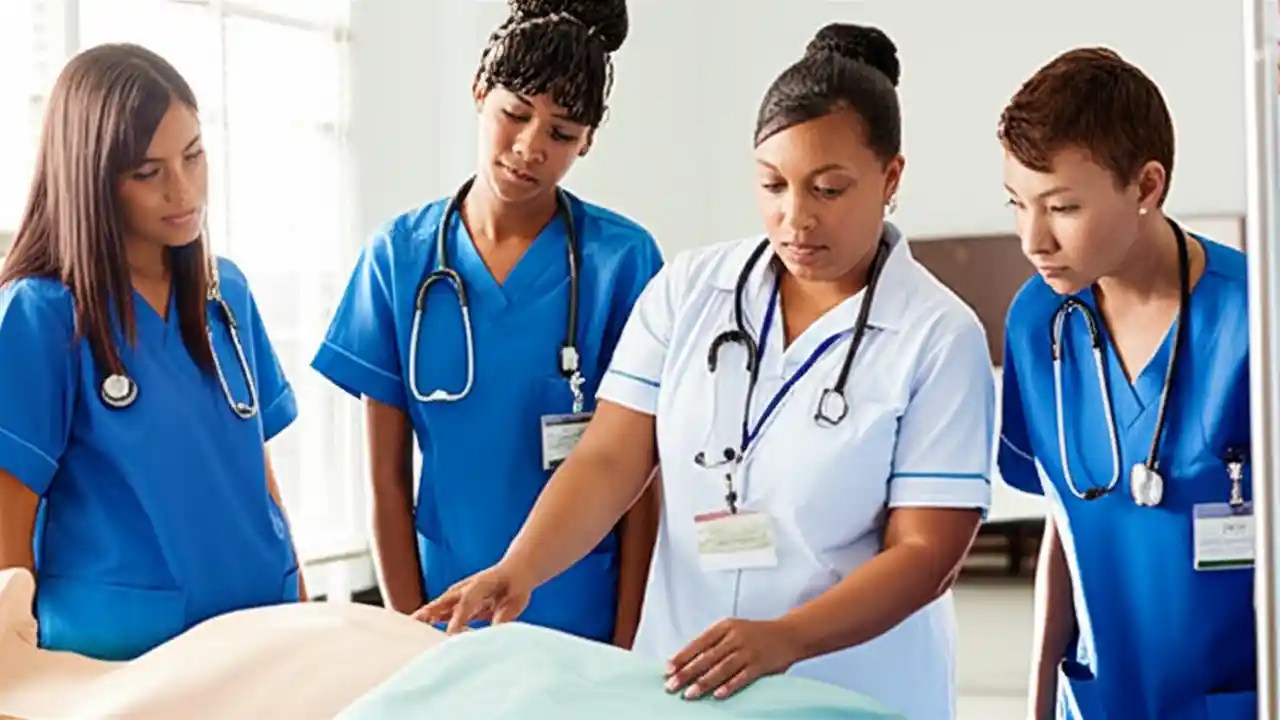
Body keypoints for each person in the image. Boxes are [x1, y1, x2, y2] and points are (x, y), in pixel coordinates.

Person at [416, 23, 995, 720]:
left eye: (829, 189)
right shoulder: (691, 290)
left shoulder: (938, 336)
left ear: (891, 177)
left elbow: (928, 552)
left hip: (851, 688)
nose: (795, 217)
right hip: (686, 682)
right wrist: (521, 568)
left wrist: (787, 639)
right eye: (772, 184)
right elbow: (608, 459)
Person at [311, 0, 663, 648]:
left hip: (582, 617)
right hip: (443, 616)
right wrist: (408, 637)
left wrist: (626, 643)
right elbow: (387, 480)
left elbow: (641, 483)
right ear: (480, 92)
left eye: (561, 133)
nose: (531, 147)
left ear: (588, 138)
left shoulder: (623, 263)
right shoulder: (399, 257)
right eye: (515, 112)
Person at [0, 43, 303, 662]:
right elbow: (6, 530)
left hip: (261, 634)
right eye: (148, 172)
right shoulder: (41, 315)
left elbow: (258, 474)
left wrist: (300, 608)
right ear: (93, 177)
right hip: (120, 659)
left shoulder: (227, 294)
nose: (184, 190)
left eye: (193, 156)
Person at [998, 48, 1257, 719]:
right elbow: (1062, 526)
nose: (1033, 238)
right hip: (1099, 701)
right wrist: (1037, 705)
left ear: (1146, 187)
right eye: (1017, 204)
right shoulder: (1037, 323)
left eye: (1061, 207)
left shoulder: (1255, 316)